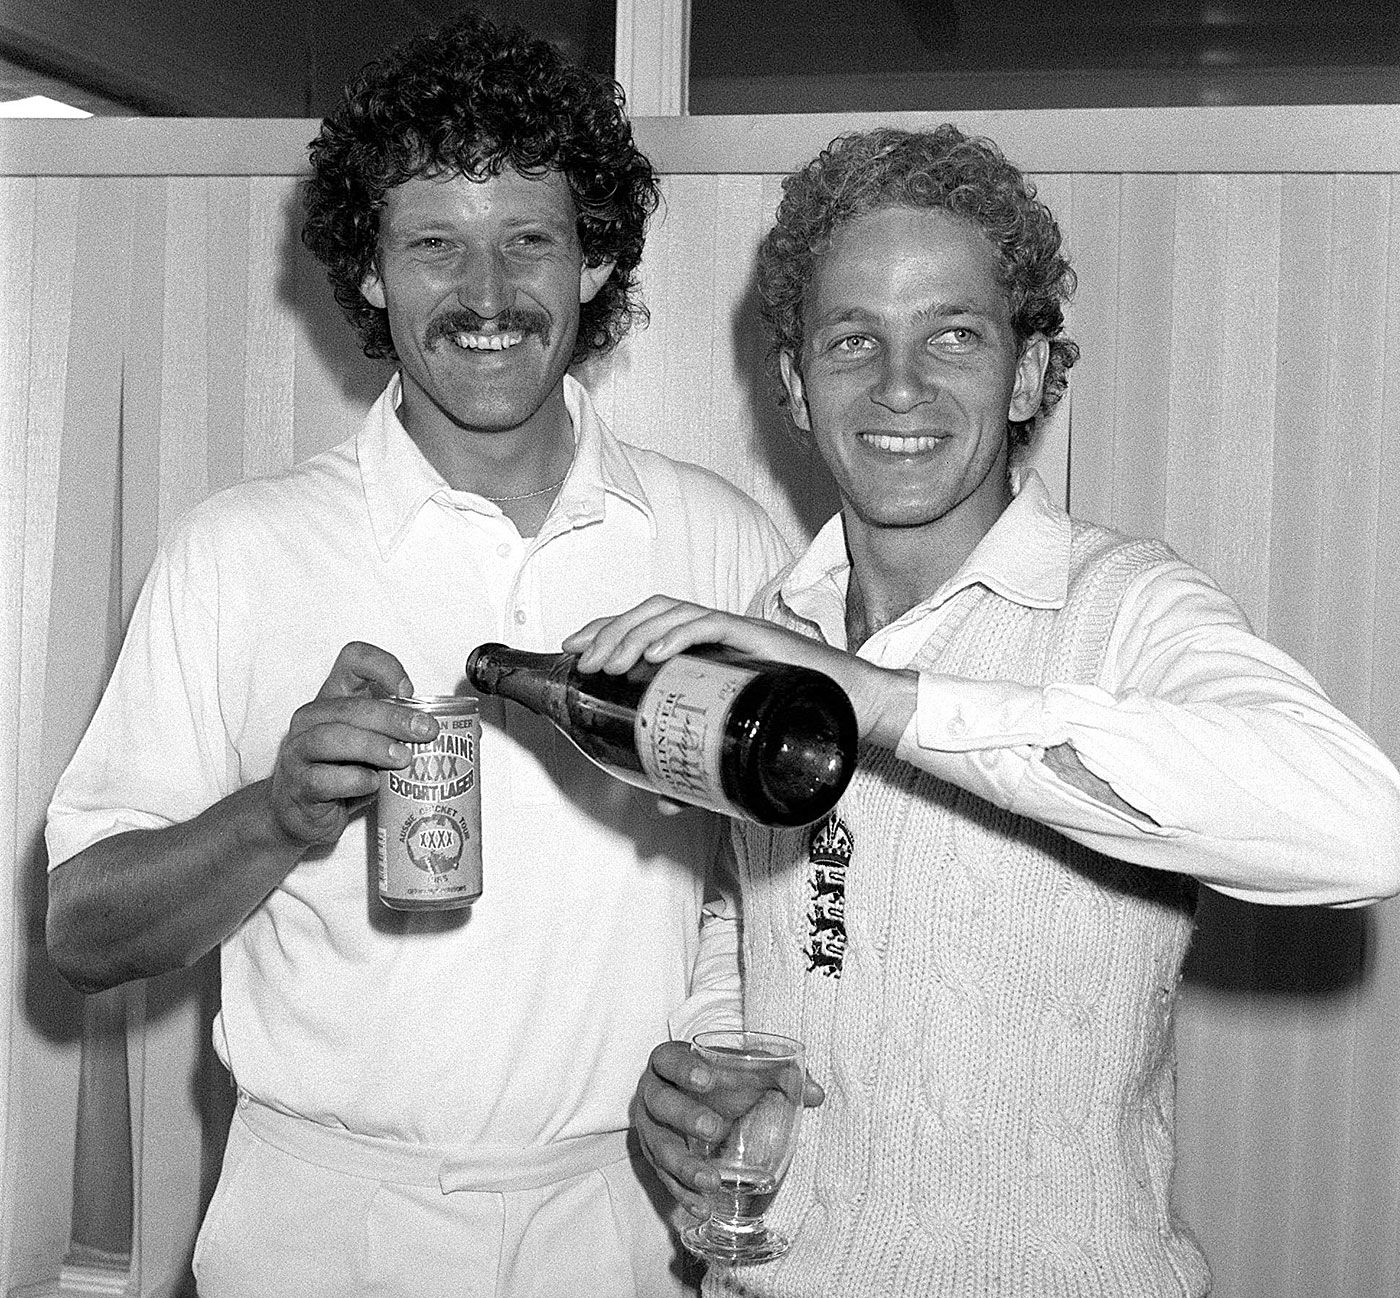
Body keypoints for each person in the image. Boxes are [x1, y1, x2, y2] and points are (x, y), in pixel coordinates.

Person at [563, 124, 1400, 1297]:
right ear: (796, 385)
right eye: (852, 340)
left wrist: (888, 702)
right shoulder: (774, 620)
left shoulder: (1124, 606)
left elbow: (1359, 829)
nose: (898, 385)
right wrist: (718, 1059)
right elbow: (744, 897)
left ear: (1023, 371)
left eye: (952, 335)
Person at [44, 12, 790, 1298]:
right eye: (435, 244)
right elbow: (83, 924)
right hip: (317, 1222)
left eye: (529, 242)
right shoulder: (238, 548)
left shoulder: (717, 540)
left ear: (595, 257)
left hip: (619, 1220)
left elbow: (772, 886)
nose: (488, 296)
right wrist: (275, 817)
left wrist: (722, 1050)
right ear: (372, 273)